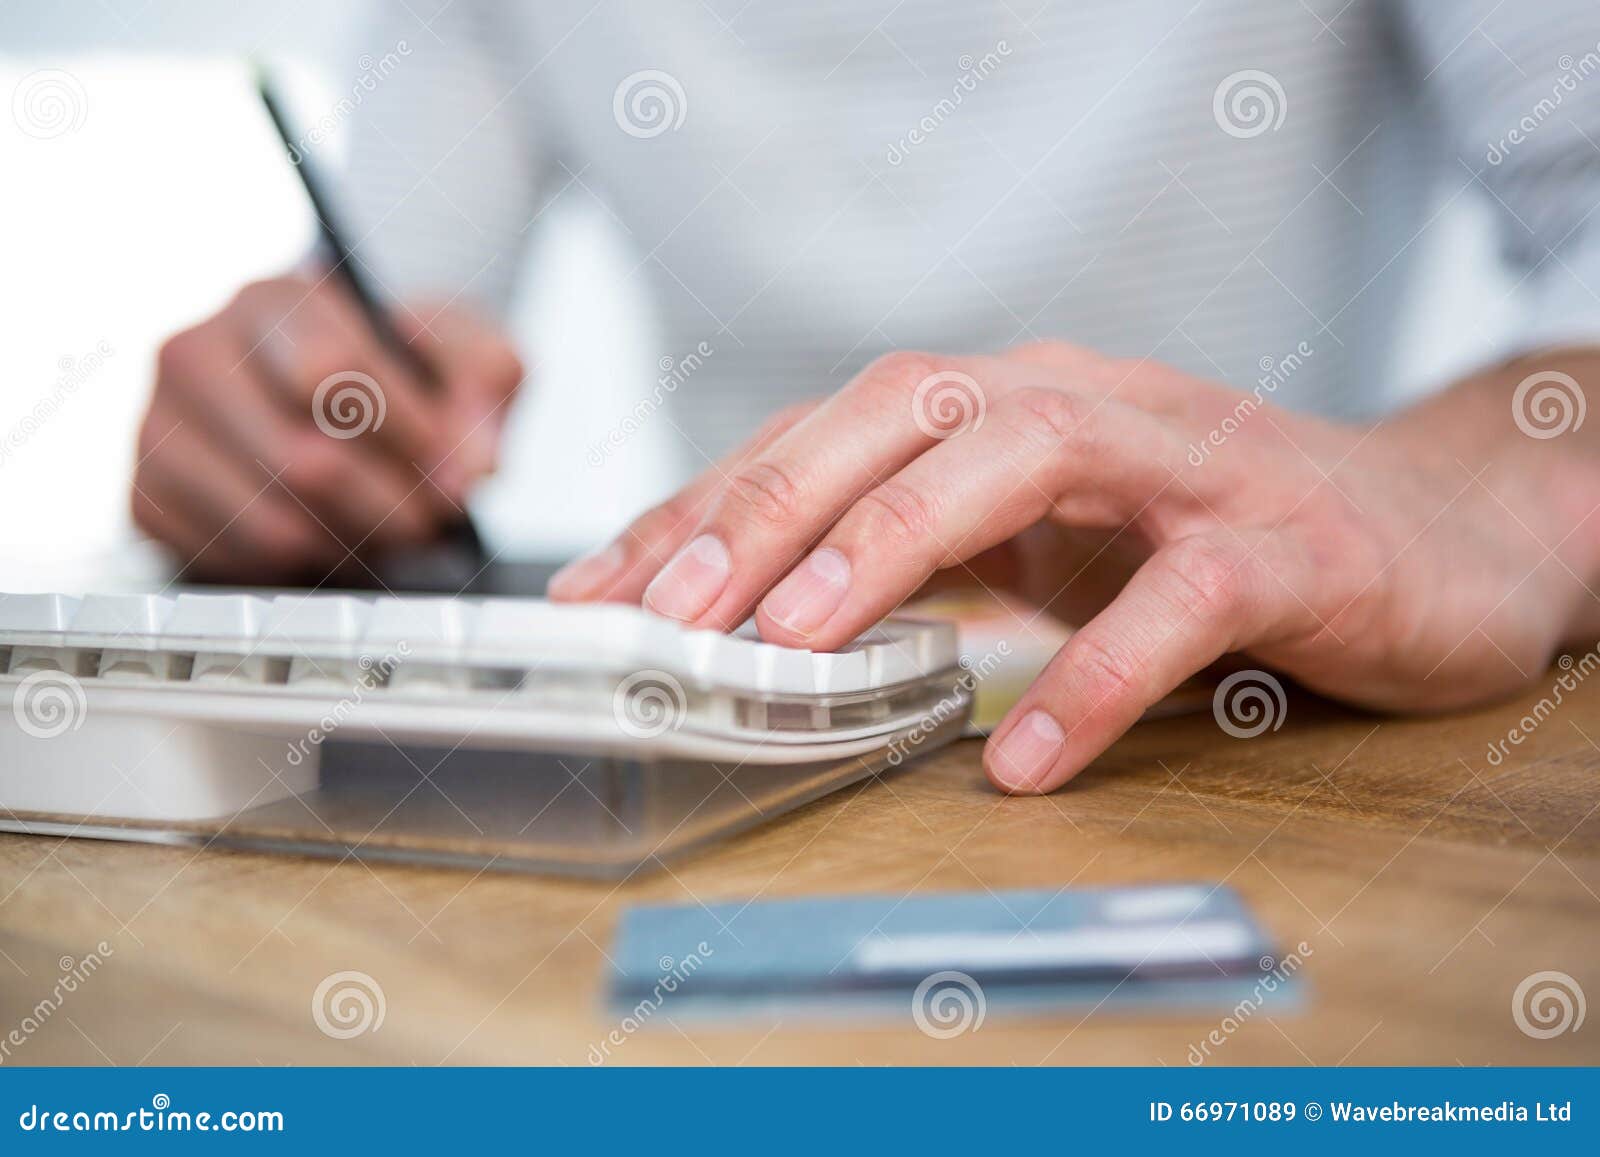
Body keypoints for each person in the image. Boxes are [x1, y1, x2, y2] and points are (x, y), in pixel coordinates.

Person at [133, 0, 1600, 793]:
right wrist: (301, 425)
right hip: (746, 743)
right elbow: (395, 319)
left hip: (1262, 734)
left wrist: (1499, 487)